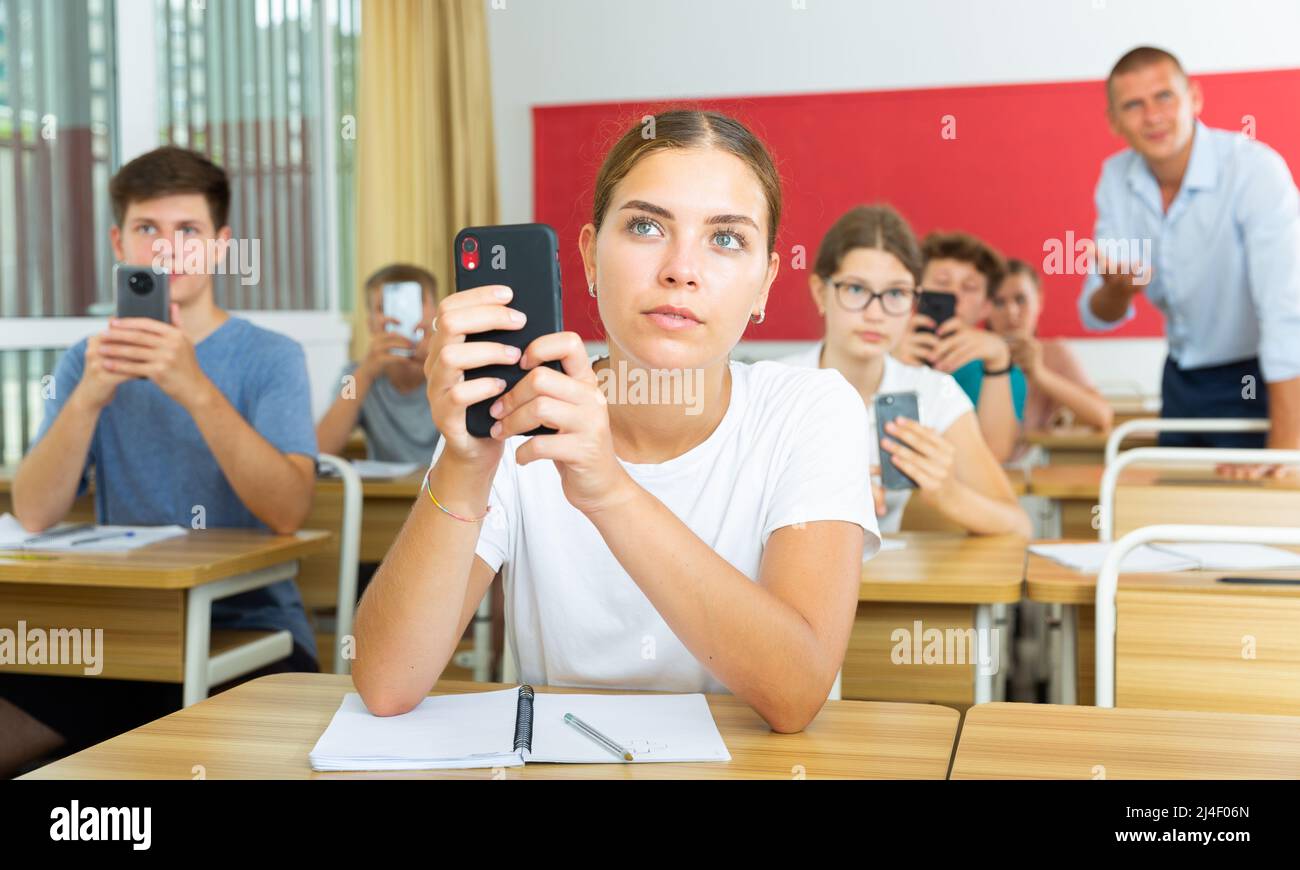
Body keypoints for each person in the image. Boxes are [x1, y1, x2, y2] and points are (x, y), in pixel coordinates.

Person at [351, 110, 879, 733]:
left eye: (726, 238)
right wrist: (466, 462)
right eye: (647, 226)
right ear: (590, 259)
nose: (682, 269)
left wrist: (609, 490)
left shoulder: (811, 408)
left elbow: (794, 693)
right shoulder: (525, 407)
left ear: (766, 283)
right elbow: (387, 684)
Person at [1, 146, 318, 777]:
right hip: (120, 639)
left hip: (251, 632)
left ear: (221, 246)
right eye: (148, 229)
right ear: (120, 241)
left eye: (188, 232)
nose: (167, 249)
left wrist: (194, 387)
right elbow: (34, 510)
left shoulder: (271, 357)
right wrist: (89, 396)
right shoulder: (84, 361)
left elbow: (288, 511)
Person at [1080, 45, 1300, 477]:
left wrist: (1286, 447)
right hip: (1180, 376)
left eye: (1164, 96)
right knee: (1172, 511)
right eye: (1133, 104)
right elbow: (1098, 314)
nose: (1153, 116)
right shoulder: (1115, 178)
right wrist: (1118, 289)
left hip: (1257, 376)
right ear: (1114, 120)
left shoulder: (1254, 171)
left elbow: (1286, 311)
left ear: (1194, 98)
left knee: (1253, 514)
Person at [779, 204, 1030, 537]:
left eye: (895, 294)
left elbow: (1018, 526)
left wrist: (948, 492)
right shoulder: (774, 388)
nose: (875, 313)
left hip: (888, 585)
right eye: (856, 289)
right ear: (820, 292)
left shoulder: (933, 393)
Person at [896, 231, 1023, 461]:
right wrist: (891, 363)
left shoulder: (998, 368)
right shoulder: (886, 350)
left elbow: (994, 457)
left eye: (970, 287)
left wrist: (997, 364)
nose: (954, 293)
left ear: (986, 306)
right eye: (942, 282)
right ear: (916, 291)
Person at [316, 263, 442, 463]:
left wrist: (439, 362)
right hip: (388, 492)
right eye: (384, 307)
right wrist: (365, 374)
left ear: (437, 313)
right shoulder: (353, 376)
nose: (401, 315)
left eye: (414, 303)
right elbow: (321, 448)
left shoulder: (457, 369)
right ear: (371, 324)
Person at [991, 259, 1113, 434]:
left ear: (1038, 301)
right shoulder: (973, 354)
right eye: (999, 302)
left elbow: (1101, 415)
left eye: (1020, 299)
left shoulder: (1054, 352)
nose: (1011, 312)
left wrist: (1039, 374)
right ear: (986, 307)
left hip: (1034, 459)